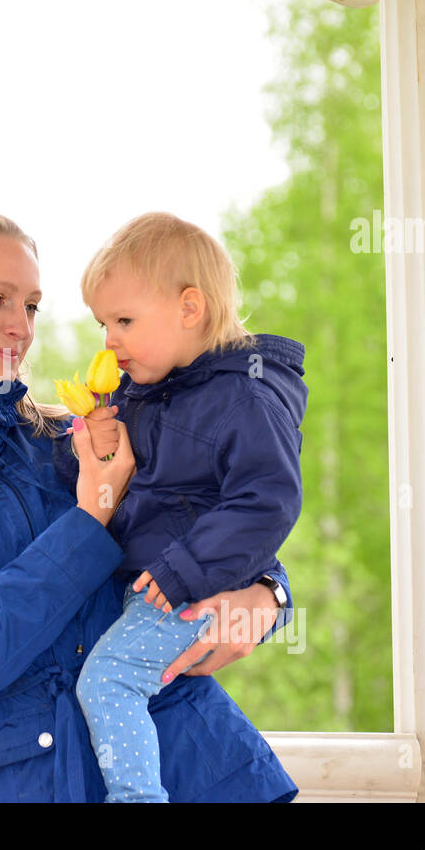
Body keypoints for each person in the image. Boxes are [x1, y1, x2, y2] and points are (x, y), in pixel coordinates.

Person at [0, 208, 298, 801]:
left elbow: (221, 508)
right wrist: (91, 515)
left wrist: (270, 595)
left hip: (201, 765)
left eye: (30, 306)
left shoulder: (74, 438)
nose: (20, 326)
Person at [63, 212, 305, 802]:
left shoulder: (244, 397)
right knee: (123, 679)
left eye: (124, 320)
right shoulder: (152, 391)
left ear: (189, 309)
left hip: (190, 588)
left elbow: (268, 501)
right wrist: (97, 447)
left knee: (110, 680)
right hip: (163, 583)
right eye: (102, 323)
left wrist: (184, 573)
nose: (109, 341)